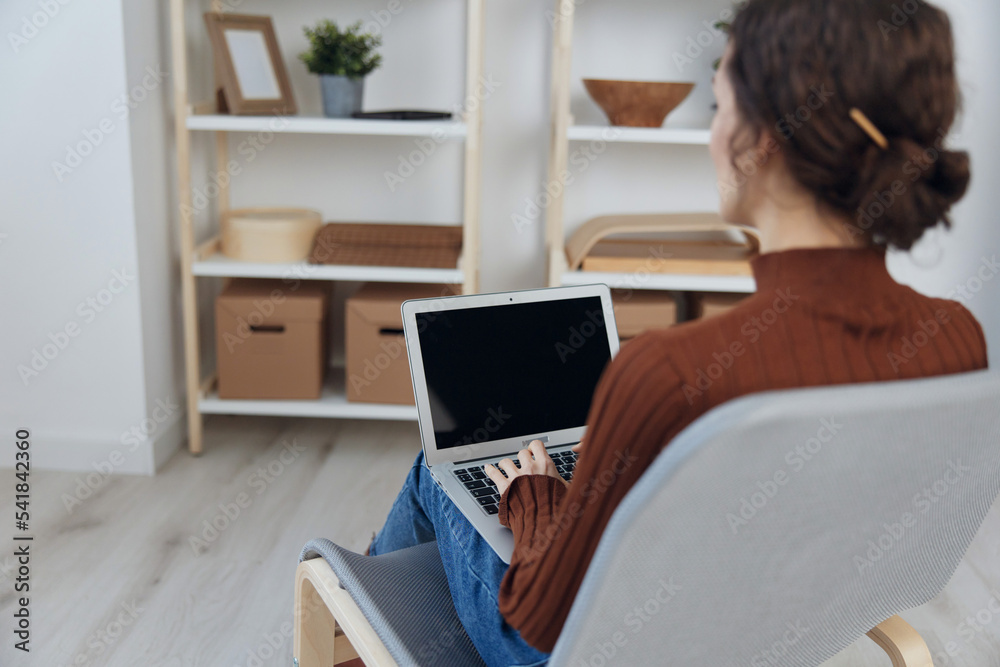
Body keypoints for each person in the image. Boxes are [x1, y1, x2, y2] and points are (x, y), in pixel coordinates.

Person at [366, 0, 988, 664]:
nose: (714, 134)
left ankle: (357, 627)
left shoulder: (671, 373)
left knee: (443, 471)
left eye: (721, 107)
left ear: (765, 139)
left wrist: (536, 495)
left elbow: (541, 618)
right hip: (782, 630)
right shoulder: (957, 340)